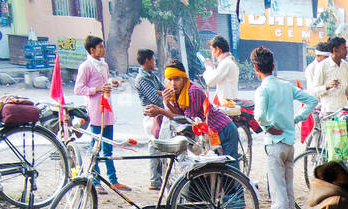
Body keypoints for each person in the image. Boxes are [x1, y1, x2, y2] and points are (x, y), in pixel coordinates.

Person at [252, 46, 317, 209]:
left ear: (256, 68)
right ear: (273, 66)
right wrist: (296, 118)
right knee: (288, 189)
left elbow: (259, 116)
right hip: (289, 143)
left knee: (278, 190)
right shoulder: (286, 86)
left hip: (274, 143)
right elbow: (312, 100)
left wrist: (268, 127)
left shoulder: (263, 89)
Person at [145, 59, 240, 167]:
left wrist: (161, 111)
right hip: (208, 134)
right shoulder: (177, 93)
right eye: (170, 79)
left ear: (184, 78)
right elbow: (179, 114)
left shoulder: (192, 91)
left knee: (231, 167)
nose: (172, 83)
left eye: (176, 79)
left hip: (223, 129)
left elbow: (186, 120)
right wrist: (167, 103)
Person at [75, 36, 128, 191]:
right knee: (95, 146)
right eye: (101, 47)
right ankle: (96, 180)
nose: (103, 49)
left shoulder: (103, 65)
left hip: (107, 109)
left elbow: (105, 83)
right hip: (96, 110)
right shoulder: (86, 66)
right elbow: (78, 89)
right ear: (92, 50)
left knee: (108, 146)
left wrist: (112, 84)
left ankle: (113, 179)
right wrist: (97, 90)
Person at [134, 48, 166, 190]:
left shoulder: (151, 76)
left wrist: (162, 92)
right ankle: (155, 180)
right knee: (154, 147)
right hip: (151, 116)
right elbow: (155, 98)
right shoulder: (141, 79)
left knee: (159, 146)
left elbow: (162, 90)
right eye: (152, 59)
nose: (154, 62)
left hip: (158, 115)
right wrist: (162, 93)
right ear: (147, 60)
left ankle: (159, 179)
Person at [202, 35, 240, 113]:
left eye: (212, 50)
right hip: (227, 102)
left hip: (227, 104)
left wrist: (208, 68)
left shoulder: (225, 63)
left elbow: (210, 81)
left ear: (218, 50)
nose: (212, 54)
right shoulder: (229, 62)